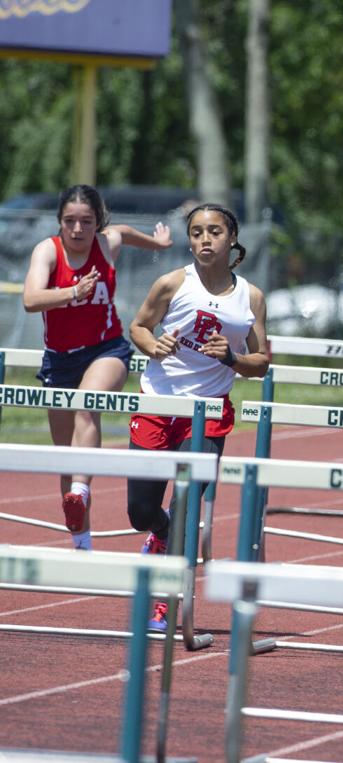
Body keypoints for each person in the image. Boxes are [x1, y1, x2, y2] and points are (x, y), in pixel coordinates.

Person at [127, 204, 269, 630]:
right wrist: (154, 347)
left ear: (232, 239)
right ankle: (161, 529)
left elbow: (261, 362)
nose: (205, 239)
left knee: (188, 503)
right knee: (139, 511)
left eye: (214, 231)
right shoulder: (172, 283)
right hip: (158, 404)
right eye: (196, 232)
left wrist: (233, 357)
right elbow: (138, 327)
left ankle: (166, 601)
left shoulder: (251, 296)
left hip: (207, 411)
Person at [20, 184, 173, 550]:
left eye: (86, 221)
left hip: (107, 349)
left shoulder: (107, 244)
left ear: (97, 222)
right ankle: (82, 544)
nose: (77, 230)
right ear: (59, 222)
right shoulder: (48, 251)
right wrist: (73, 292)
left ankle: (81, 489)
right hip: (59, 359)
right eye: (69, 221)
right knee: (67, 457)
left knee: (88, 406)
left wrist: (160, 244)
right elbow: (30, 300)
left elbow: (125, 233)